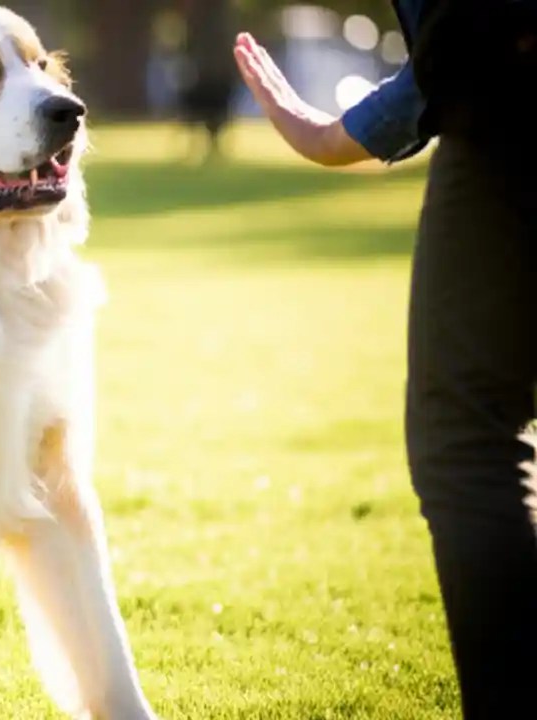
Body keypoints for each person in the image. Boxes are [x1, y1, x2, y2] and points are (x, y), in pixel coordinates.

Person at [231, 2, 537, 718]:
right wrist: (341, 134)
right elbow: (457, 44)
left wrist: (340, 135)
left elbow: (471, 38)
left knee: (469, 446)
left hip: (512, 109)